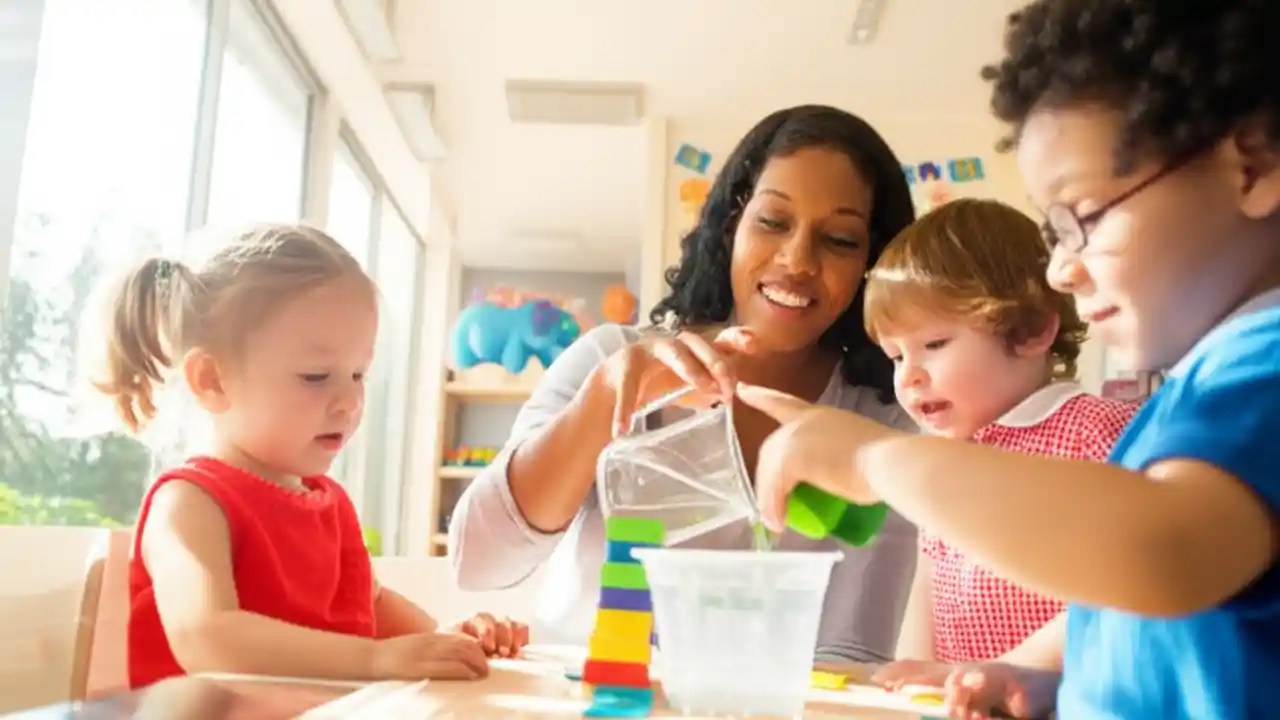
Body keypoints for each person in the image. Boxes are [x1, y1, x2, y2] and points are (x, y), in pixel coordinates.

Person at [740, 1, 1280, 717]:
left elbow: (1163, 552)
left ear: (1253, 164)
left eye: (1079, 218)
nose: (1060, 270)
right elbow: (1147, 616)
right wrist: (1053, 682)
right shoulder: (1200, 390)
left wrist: (878, 463)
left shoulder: (1263, 370)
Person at [448, 104, 920, 660]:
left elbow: (855, 653)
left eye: (839, 238)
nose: (797, 260)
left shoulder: (883, 423)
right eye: (772, 221)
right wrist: (603, 402)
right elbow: (478, 561)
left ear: (873, 262)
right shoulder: (609, 358)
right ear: (731, 228)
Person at [88, 225, 527, 689]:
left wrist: (447, 640)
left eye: (358, 373)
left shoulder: (328, 503)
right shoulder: (189, 503)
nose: (349, 401)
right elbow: (206, 636)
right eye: (316, 376)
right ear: (212, 380)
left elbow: (369, 605)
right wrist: (378, 660)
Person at [855, 199, 1136, 694]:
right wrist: (911, 683)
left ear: (1030, 330)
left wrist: (1005, 671)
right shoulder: (941, 459)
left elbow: (1124, 593)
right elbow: (930, 586)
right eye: (896, 355)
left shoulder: (1093, 433)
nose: (910, 375)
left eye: (935, 344)